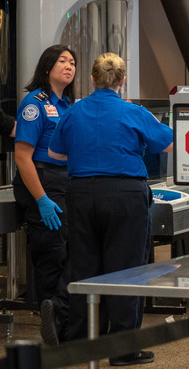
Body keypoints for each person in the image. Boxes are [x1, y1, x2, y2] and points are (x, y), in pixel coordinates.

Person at [48, 52, 172, 366]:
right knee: (127, 271)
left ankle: (81, 343)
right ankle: (123, 350)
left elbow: (54, 152)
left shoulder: (74, 113)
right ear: (121, 81)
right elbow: (168, 143)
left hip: (81, 194)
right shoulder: (133, 111)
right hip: (126, 195)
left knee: (84, 269)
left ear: (91, 79)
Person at [13, 44, 75, 346]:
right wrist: (40, 199)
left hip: (64, 181)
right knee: (51, 250)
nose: (69, 66)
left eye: (73, 62)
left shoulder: (68, 106)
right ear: (47, 67)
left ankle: (61, 316)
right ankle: (52, 318)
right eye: (63, 61)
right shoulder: (34, 104)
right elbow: (23, 156)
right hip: (40, 179)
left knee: (69, 249)